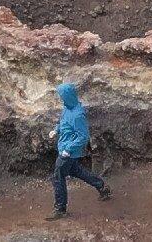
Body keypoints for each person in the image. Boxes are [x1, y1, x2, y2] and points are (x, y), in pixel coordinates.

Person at [46, 82, 110, 220]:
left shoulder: (77, 115)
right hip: (64, 148)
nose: (60, 99)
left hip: (68, 152)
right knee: (77, 171)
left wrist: (68, 150)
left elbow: (83, 136)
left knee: (58, 177)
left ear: (67, 96)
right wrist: (55, 130)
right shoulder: (67, 108)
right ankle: (102, 186)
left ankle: (60, 209)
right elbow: (63, 122)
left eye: (62, 96)